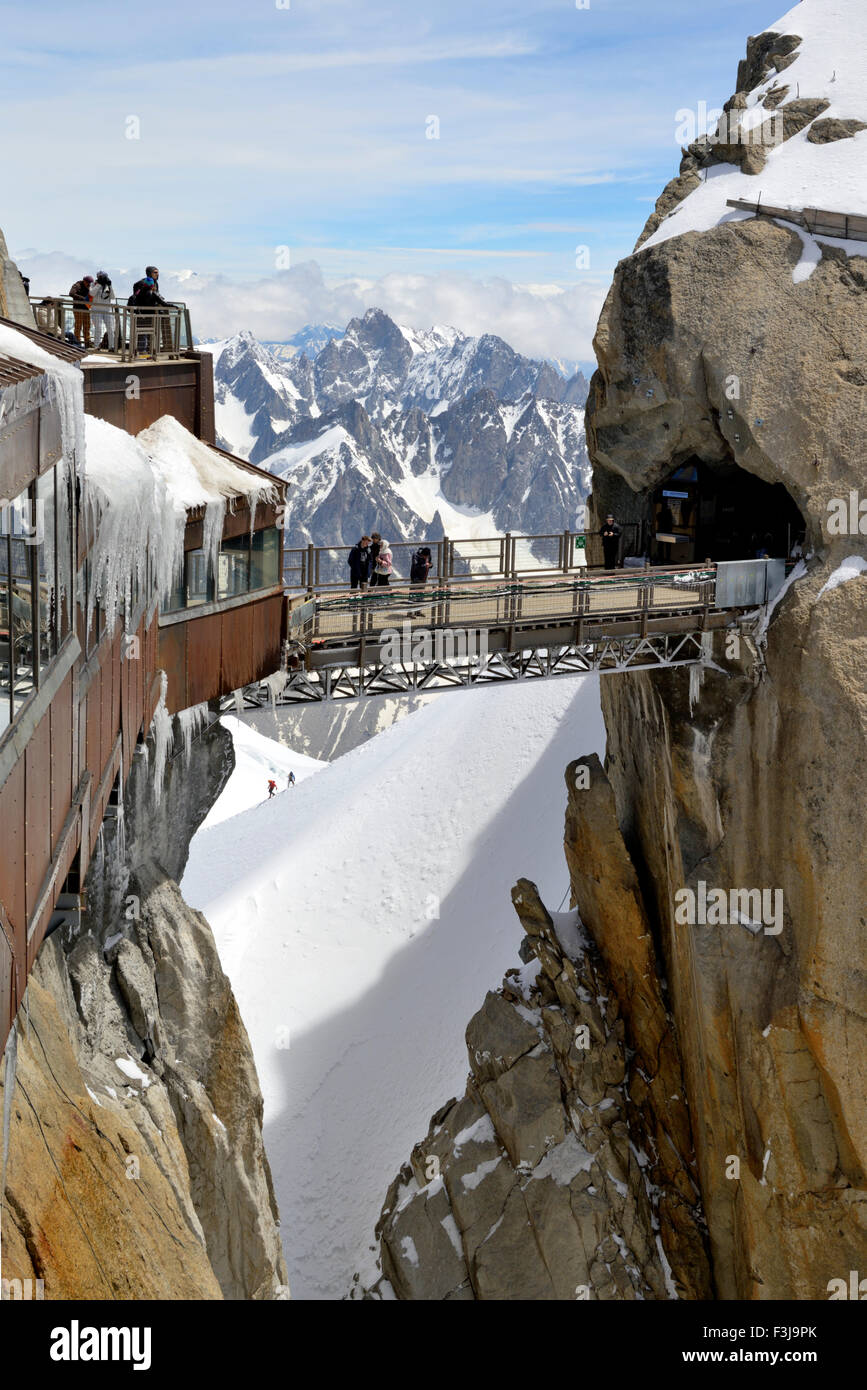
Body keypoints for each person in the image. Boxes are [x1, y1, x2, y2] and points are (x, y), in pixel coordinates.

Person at [90, 270, 116, 351]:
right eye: (101, 277)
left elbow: (113, 297)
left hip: (107, 310)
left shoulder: (107, 285)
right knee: (98, 328)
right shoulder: (93, 284)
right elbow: (91, 294)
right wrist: (99, 284)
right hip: (96, 310)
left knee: (111, 329)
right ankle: (96, 346)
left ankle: (111, 347)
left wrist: (110, 286)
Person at [69, 275, 95, 347]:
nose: (89, 285)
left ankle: (87, 342)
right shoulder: (77, 285)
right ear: (84, 281)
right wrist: (83, 299)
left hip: (86, 309)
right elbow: (71, 293)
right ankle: (77, 342)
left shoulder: (89, 287)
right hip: (78, 308)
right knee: (78, 326)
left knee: (87, 326)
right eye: (88, 283)